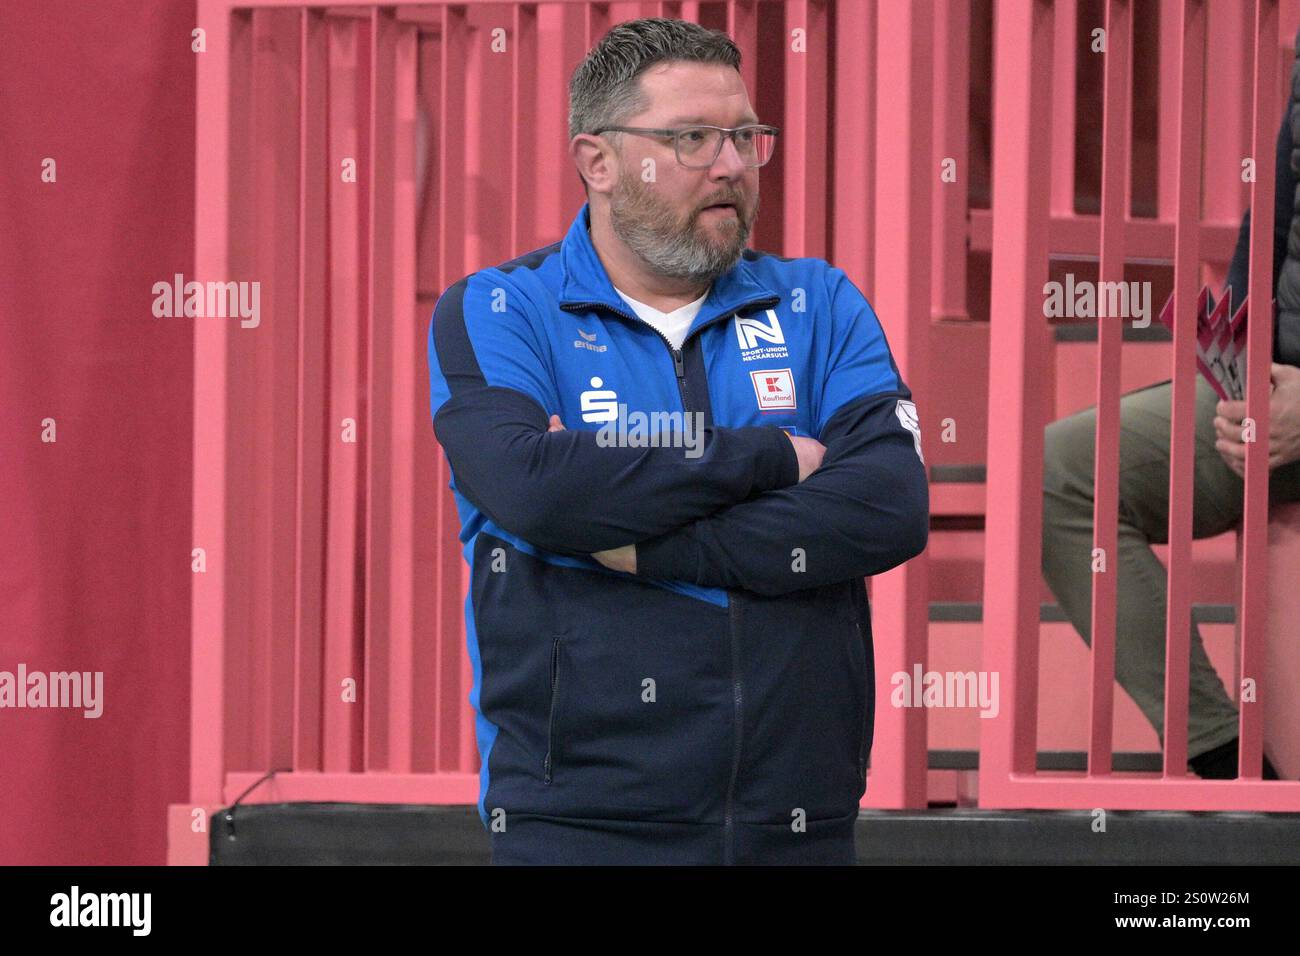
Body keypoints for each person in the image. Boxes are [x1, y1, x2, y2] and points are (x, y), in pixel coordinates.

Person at [426, 17, 928, 864]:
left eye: (744, 136)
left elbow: (887, 507)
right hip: (578, 827)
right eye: (692, 138)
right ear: (600, 162)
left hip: (797, 823)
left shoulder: (818, 301)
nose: (731, 163)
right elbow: (532, 488)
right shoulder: (501, 307)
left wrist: (649, 547)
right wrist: (771, 458)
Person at [1041, 61, 1300, 779]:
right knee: (1061, 472)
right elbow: (1275, 212)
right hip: (1269, 384)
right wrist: (1243, 372)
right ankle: (1217, 751)